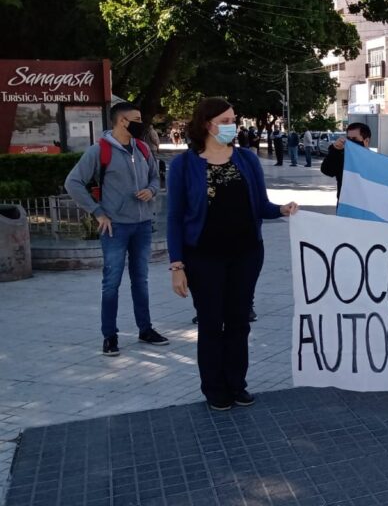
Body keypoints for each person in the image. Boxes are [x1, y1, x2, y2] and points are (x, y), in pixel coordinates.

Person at [166, 97, 299, 411]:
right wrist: (177, 264)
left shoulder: (246, 160)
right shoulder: (184, 165)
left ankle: (237, 384)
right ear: (206, 124)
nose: (232, 126)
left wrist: (282, 209)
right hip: (203, 257)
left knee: (239, 322)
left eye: (233, 120)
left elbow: (260, 206)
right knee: (211, 323)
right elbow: (174, 217)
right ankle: (215, 389)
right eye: (225, 121)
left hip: (246, 254)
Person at [64, 101, 169, 356]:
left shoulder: (143, 148)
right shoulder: (99, 150)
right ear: (122, 121)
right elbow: (73, 182)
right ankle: (110, 336)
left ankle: (145, 329)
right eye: (136, 118)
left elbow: (155, 177)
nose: (141, 122)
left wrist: (151, 190)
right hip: (116, 228)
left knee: (140, 280)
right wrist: (98, 212)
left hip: (143, 225)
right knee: (111, 283)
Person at [320, 123, 371, 200]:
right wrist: (335, 149)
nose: (350, 142)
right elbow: (327, 170)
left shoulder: (375, 162)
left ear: (366, 141)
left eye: (354, 139)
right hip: (346, 206)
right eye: (348, 139)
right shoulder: (343, 157)